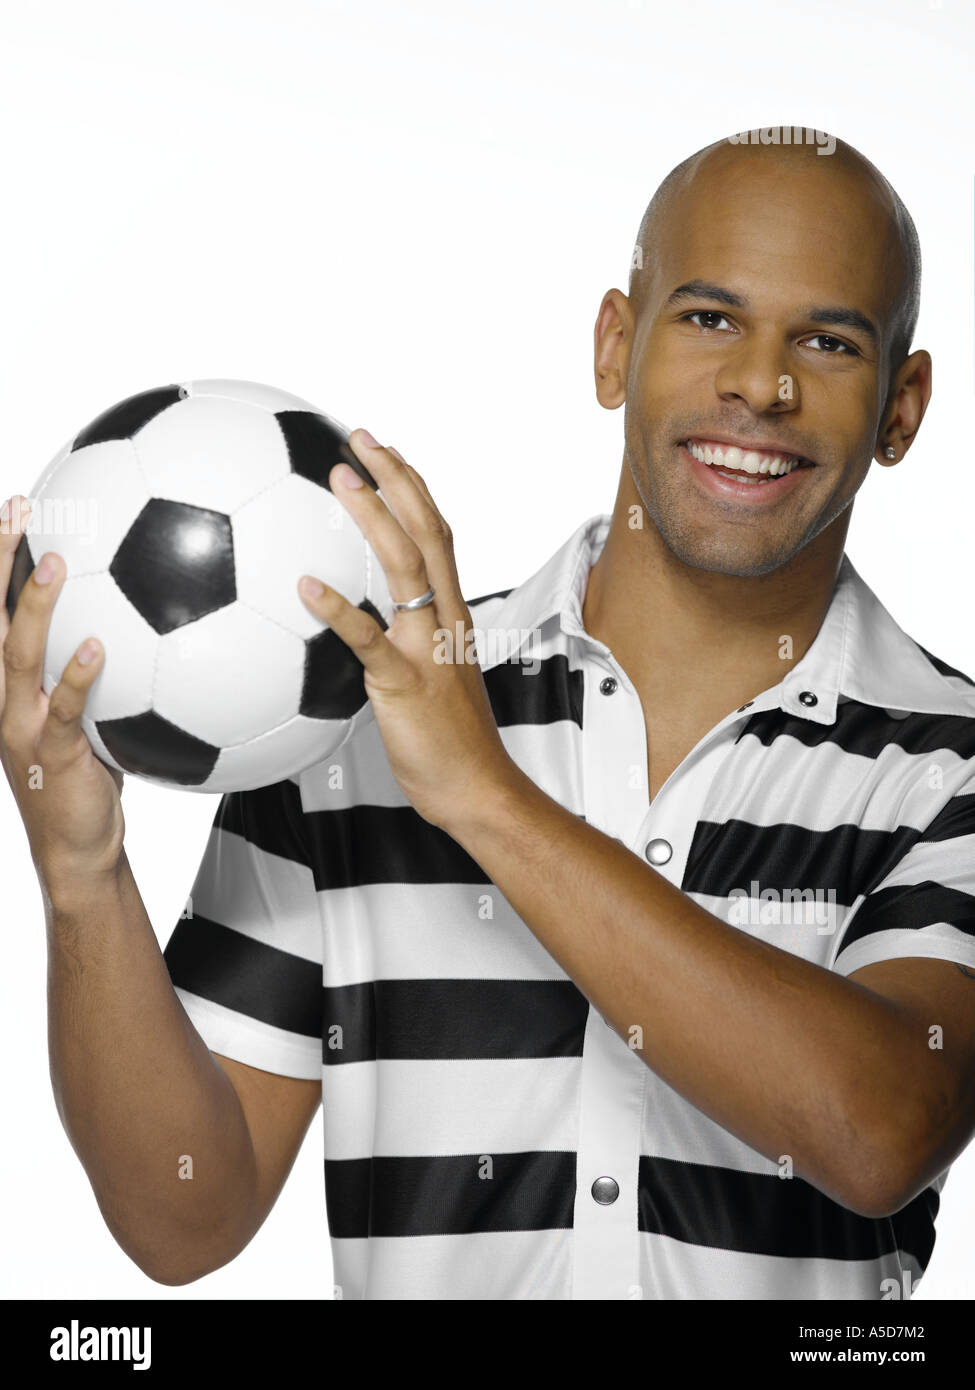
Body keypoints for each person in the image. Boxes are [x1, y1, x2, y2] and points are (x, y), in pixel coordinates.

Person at [4, 127, 975, 1301]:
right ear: (615, 347)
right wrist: (80, 871)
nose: (759, 386)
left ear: (901, 407)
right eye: (709, 318)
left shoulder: (945, 763)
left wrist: (481, 796)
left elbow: (881, 1129)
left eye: (826, 341)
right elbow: (182, 1214)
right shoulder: (339, 718)